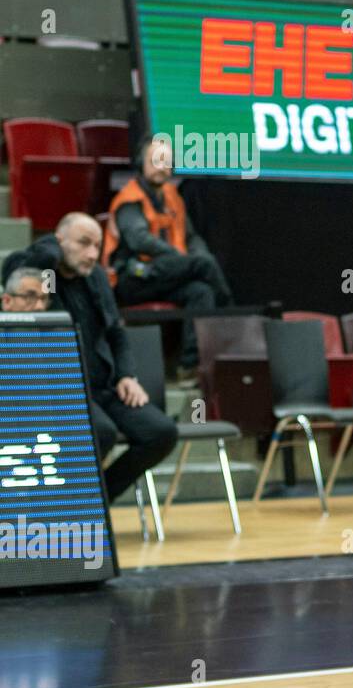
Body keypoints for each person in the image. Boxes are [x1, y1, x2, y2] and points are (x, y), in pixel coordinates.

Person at [2, 214, 178, 502]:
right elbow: (19, 269)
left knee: (161, 433)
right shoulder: (38, 272)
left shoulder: (95, 276)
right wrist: (54, 249)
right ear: (58, 243)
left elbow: (116, 333)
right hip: (59, 389)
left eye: (97, 246)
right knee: (102, 432)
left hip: (103, 386)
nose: (92, 254)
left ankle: (94, 501)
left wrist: (127, 375)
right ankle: (67, 504)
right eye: (84, 244)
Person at [102, 138, 234, 378]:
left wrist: (195, 255)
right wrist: (180, 259)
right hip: (133, 278)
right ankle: (231, 318)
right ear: (142, 163)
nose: (161, 167)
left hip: (164, 275)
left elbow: (191, 237)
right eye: (155, 161)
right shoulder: (129, 199)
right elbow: (139, 240)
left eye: (166, 163)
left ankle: (190, 365)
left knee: (201, 292)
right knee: (202, 265)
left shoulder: (173, 196)